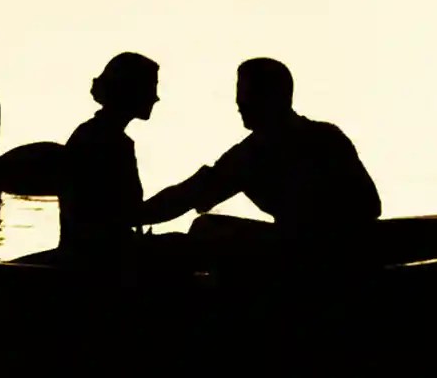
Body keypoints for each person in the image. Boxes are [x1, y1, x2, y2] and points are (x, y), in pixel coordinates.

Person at [138, 57, 381, 259]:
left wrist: (130, 217)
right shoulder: (326, 135)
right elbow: (193, 192)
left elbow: (190, 194)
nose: (239, 103)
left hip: (314, 252)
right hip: (335, 249)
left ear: (273, 97)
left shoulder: (255, 153)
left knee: (206, 229)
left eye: (247, 93)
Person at [58, 52, 159, 262]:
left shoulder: (90, 134)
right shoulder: (111, 143)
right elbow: (118, 217)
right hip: (100, 259)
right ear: (132, 91)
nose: (155, 97)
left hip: (88, 252)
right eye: (152, 87)